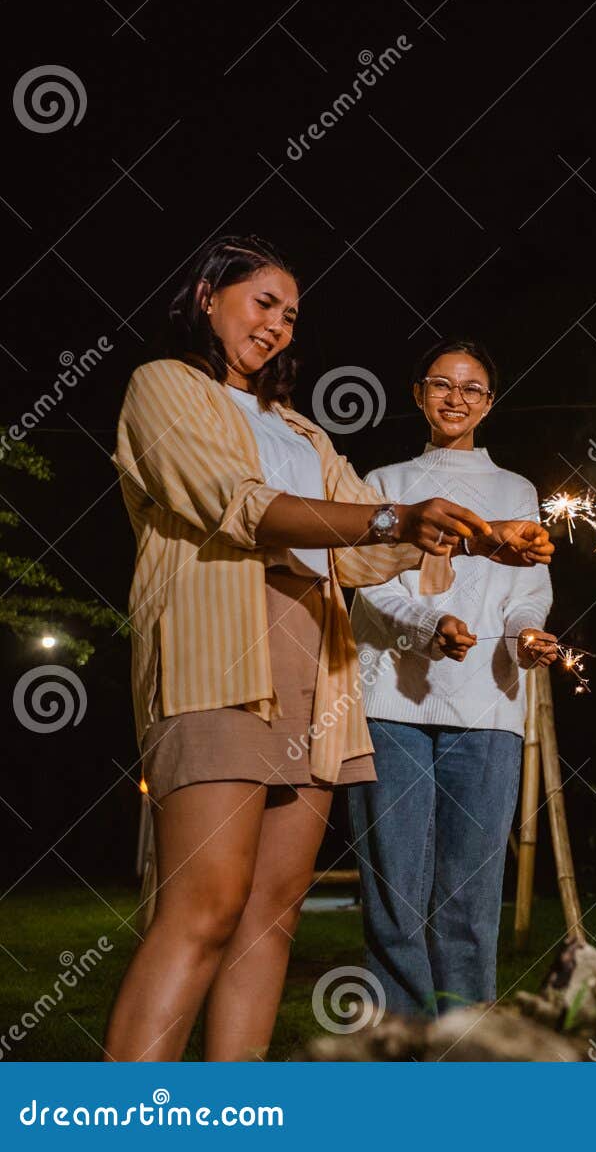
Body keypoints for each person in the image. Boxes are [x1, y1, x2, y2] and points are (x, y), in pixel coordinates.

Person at [104, 236, 551, 1061]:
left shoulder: (301, 431)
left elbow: (369, 549)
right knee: (204, 906)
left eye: (290, 315)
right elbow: (241, 506)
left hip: (320, 668)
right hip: (219, 659)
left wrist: (484, 543)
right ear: (207, 294)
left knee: (270, 916)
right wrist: (394, 520)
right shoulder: (165, 388)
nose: (276, 326)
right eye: (262, 303)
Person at [348, 337, 560, 1018]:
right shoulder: (384, 482)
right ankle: (405, 1043)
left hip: (488, 706)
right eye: (442, 384)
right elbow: (364, 585)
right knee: (394, 892)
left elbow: (530, 587)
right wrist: (424, 625)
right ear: (418, 394)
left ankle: (468, 1045)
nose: (455, 399)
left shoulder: (516, 489)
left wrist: (528, 631)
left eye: (472, 389)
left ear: (490, 403)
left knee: (470, 893)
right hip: (391, 704)